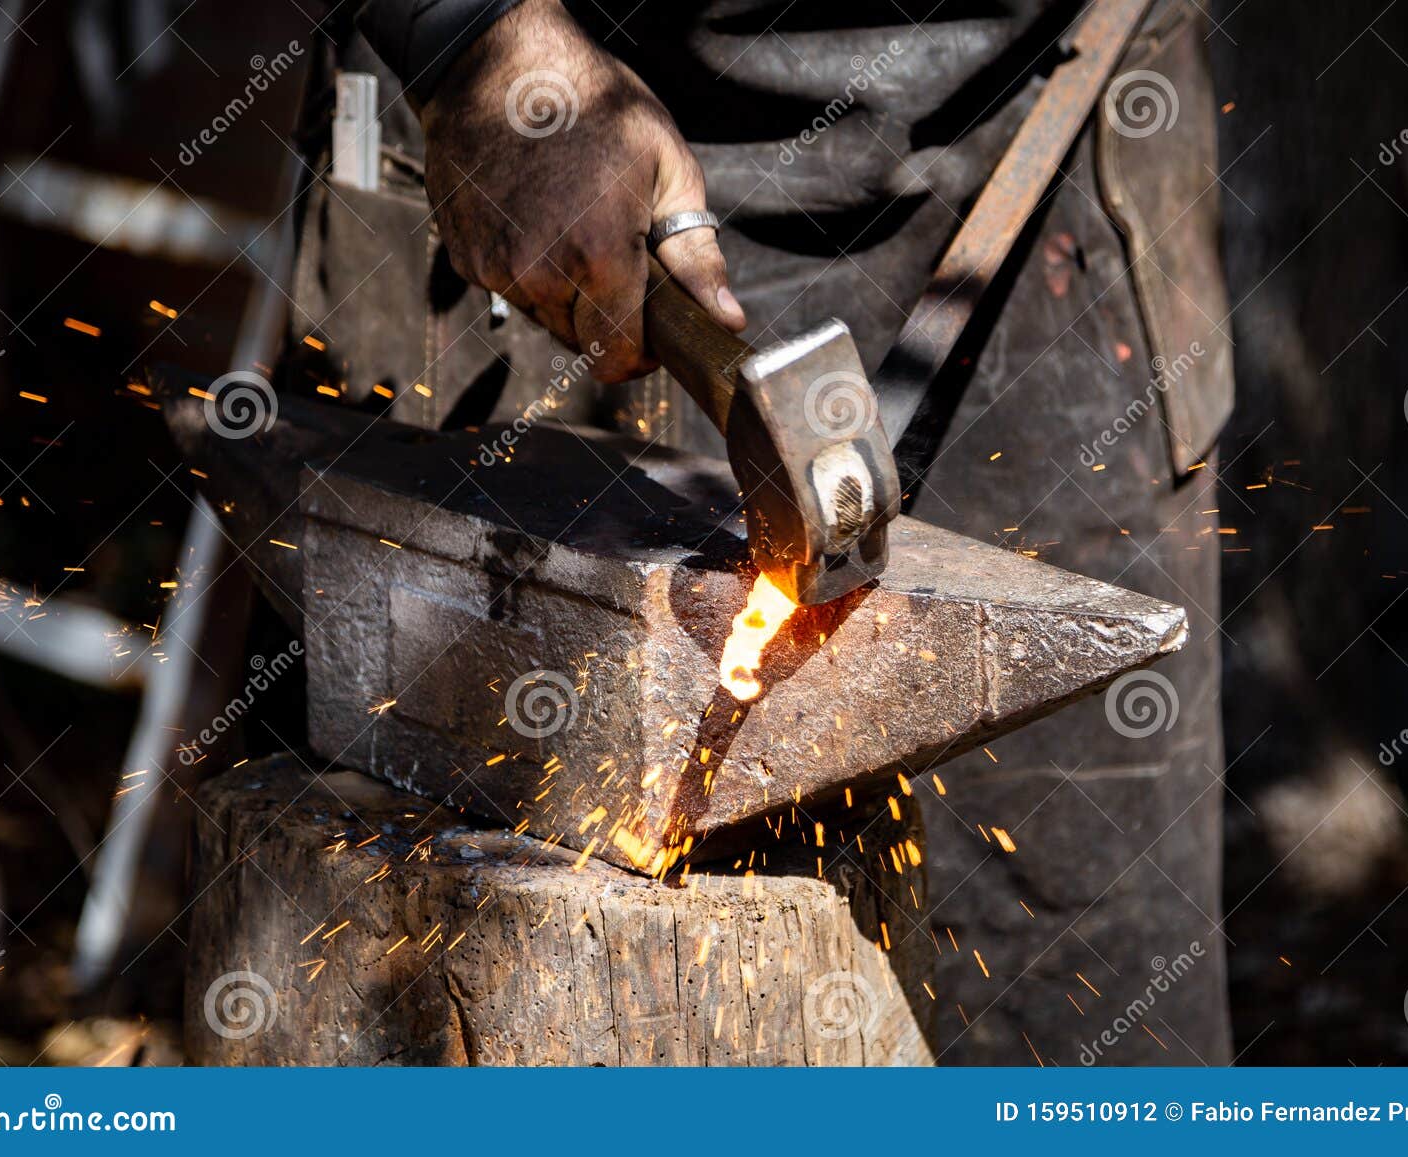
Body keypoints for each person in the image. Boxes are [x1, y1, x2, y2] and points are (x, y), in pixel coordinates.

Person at [304, 0, 1236, 1064]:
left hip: (1044, 105)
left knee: (1077, 979)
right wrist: (467, 36)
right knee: (487, 942)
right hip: (538, 119)